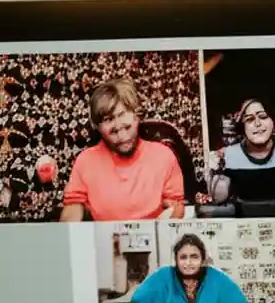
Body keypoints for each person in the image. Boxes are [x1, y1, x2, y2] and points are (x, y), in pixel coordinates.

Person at [60, 77, 185, 221]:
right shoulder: (86, 161)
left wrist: (169, 217)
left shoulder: (163, 156)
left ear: (137, 116)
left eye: (124, 121)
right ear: (98, 128)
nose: (122, 137)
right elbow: (73, 207)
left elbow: (176, 207)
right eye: (109, 121)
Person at [130, 234, 248, 303]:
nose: (188, 263)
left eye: (194, 257)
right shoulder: (163, 276)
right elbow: (140, 302)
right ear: (176, 260)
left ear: (202, 259)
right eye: (183, 257)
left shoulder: (217, 279)